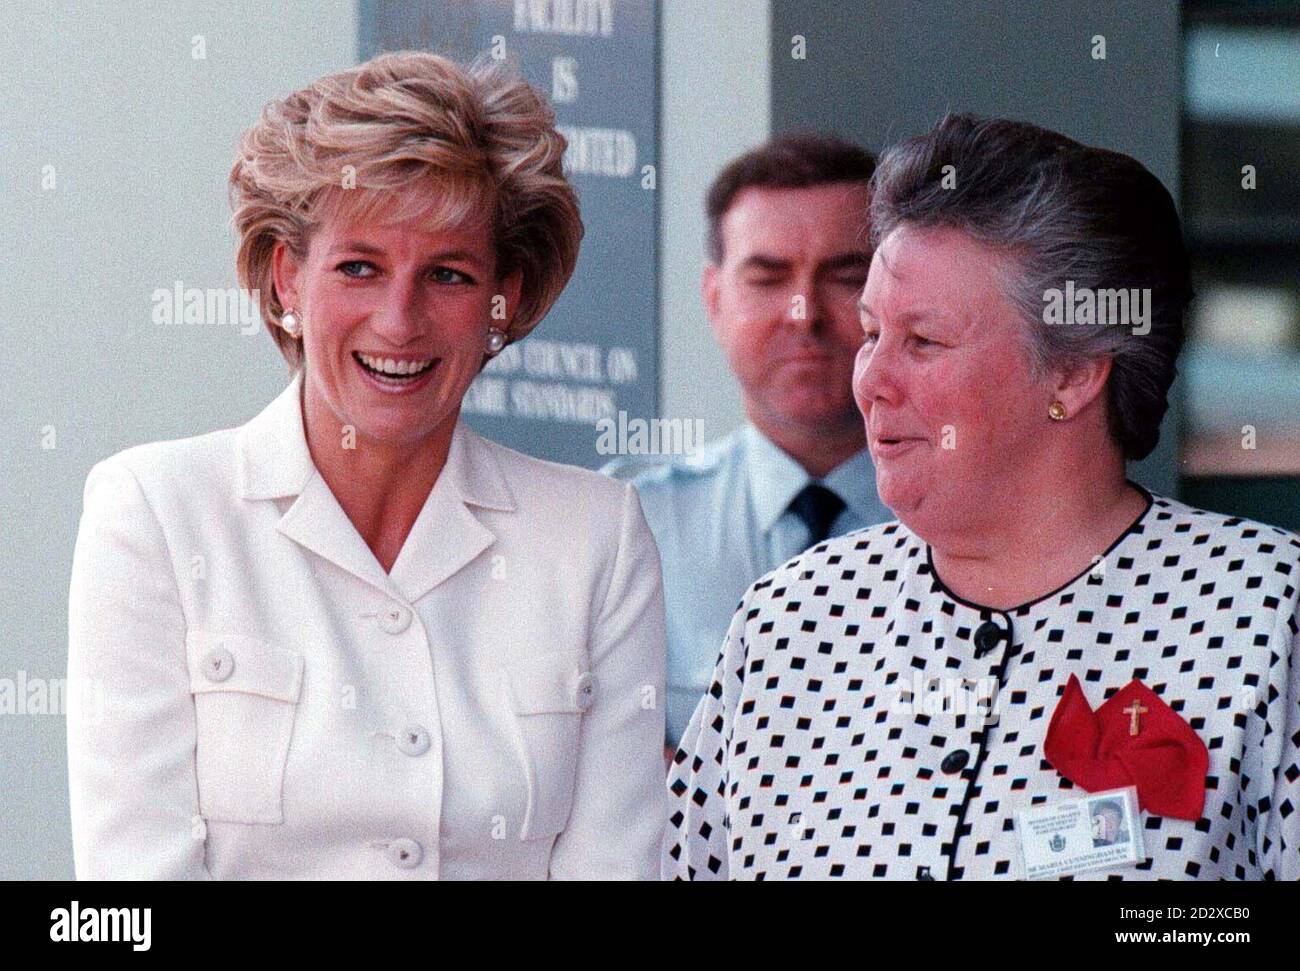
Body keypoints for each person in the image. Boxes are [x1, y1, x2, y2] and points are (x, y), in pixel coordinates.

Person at [66, 51, 666, 880]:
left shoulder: (596, 536)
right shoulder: (157, 513)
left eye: (448, 275)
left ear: (504, 300)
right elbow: (132, 882)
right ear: (286, 278)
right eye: (359, 267)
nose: (399, 320)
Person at [665, 114, 1300, 880]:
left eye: (923, 341)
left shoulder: (1265, 614)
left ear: (1071, 372)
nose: (870, 378)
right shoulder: (789, 624)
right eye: (872, 333)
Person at [606, 136, 891, 751]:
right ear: (714, 298)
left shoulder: (980, 526)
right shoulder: (630, 526)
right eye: (767, 278)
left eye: (845, 277)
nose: (803, 313)